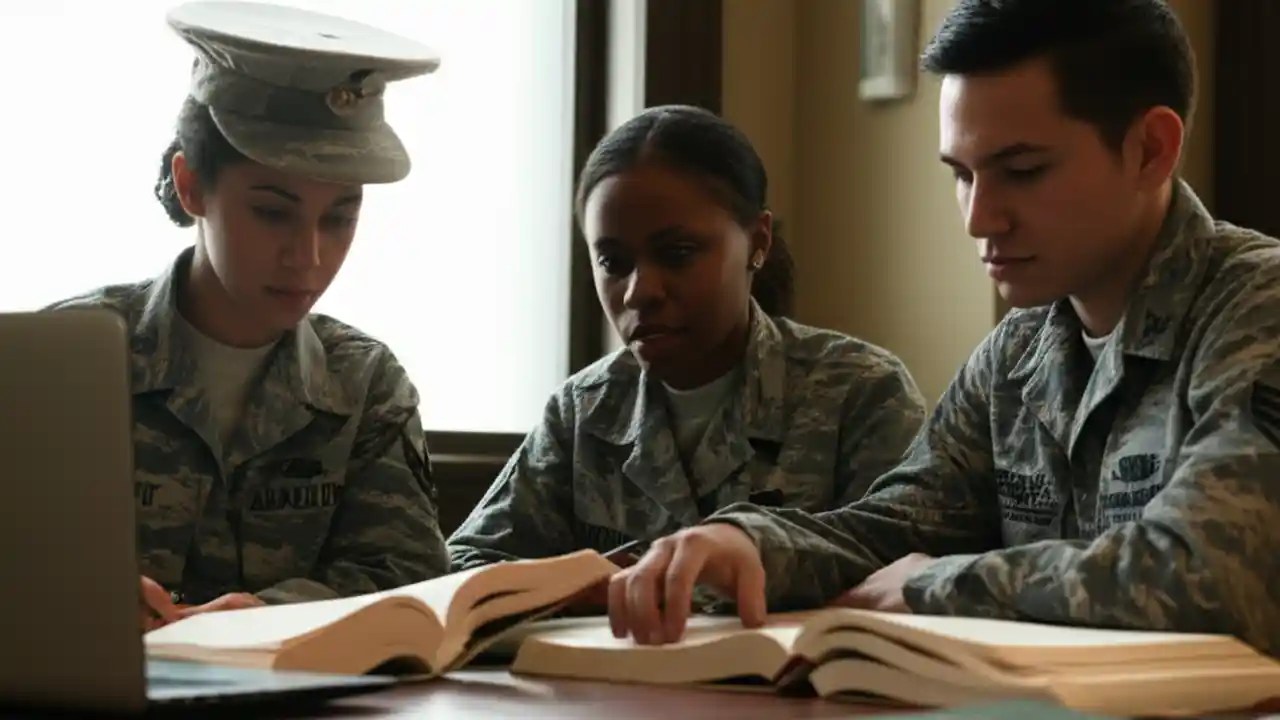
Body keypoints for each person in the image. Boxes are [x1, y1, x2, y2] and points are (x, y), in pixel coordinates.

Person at [605, 0, 1280, 657]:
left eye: (1023, 172)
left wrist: (938, 584)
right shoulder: (1015, 355)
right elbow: (896, 526)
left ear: (1151, 149)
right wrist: (750, 545)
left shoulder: (1256, 308)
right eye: (962, 176)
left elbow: (1214, 573)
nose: (979, 218)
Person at [45, 2, 450, 629]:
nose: (308, 258)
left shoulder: (365, 384)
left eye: (340, 218)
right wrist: (75, 597)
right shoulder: (62, 359)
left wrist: (264, 614)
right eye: (272, 211)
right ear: (191, 186)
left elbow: (408, 579)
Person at [448, 105, 927, 578]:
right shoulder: (585, 414)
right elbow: (463, 567)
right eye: (613, 263)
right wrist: (584, 585)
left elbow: (902, 566)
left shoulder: (860, 392)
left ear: (757, 242)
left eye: (677, 254)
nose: (639, 292)